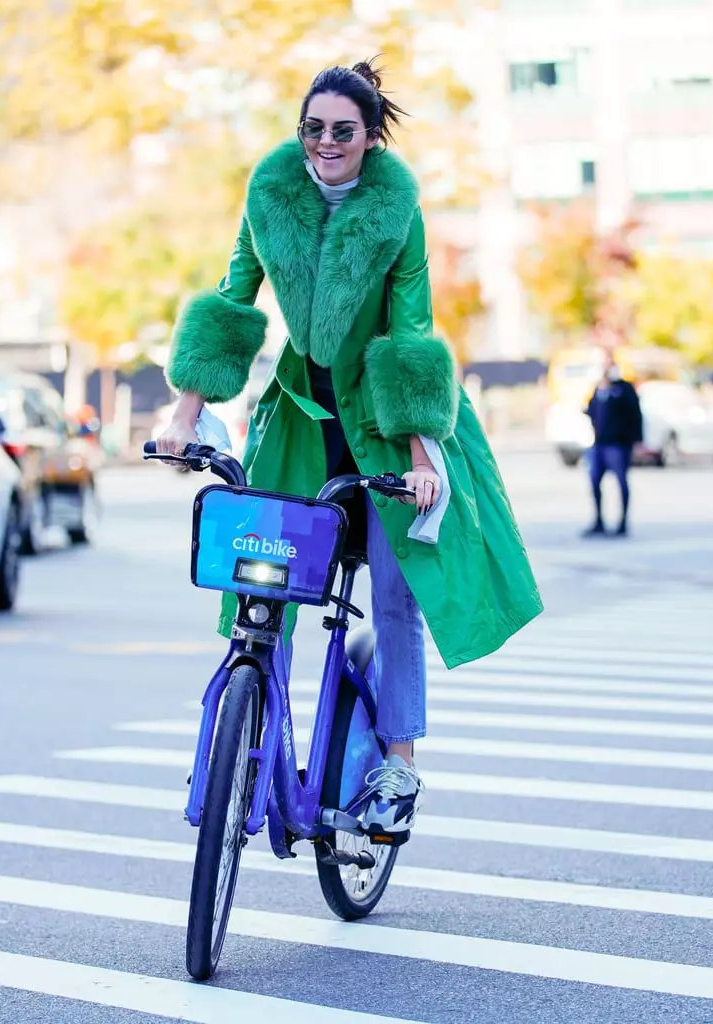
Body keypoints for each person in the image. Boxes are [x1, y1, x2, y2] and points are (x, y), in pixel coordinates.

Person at [157, 59, 543, 833]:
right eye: (313, 128)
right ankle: (248, 734)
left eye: (342, 130)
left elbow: (407, 336)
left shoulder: (398, 210)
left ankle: (399, 767)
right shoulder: (269, 197)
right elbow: (233, 301)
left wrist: (423, 458)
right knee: (259, 588)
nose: (325, 143)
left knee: (398, 594)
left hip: (385, 424)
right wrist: (182, 412)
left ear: (370, 138)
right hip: (302, 423)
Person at [583, 350, 643, 537]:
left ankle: (623, 522)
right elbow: (592, 411)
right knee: (594, 481)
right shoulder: (598, 389)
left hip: (618, 444)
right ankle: (599, 520)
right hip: (599, 443)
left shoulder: (624, 389)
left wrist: (636, 442)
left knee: (621, 481)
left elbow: (635, 415)